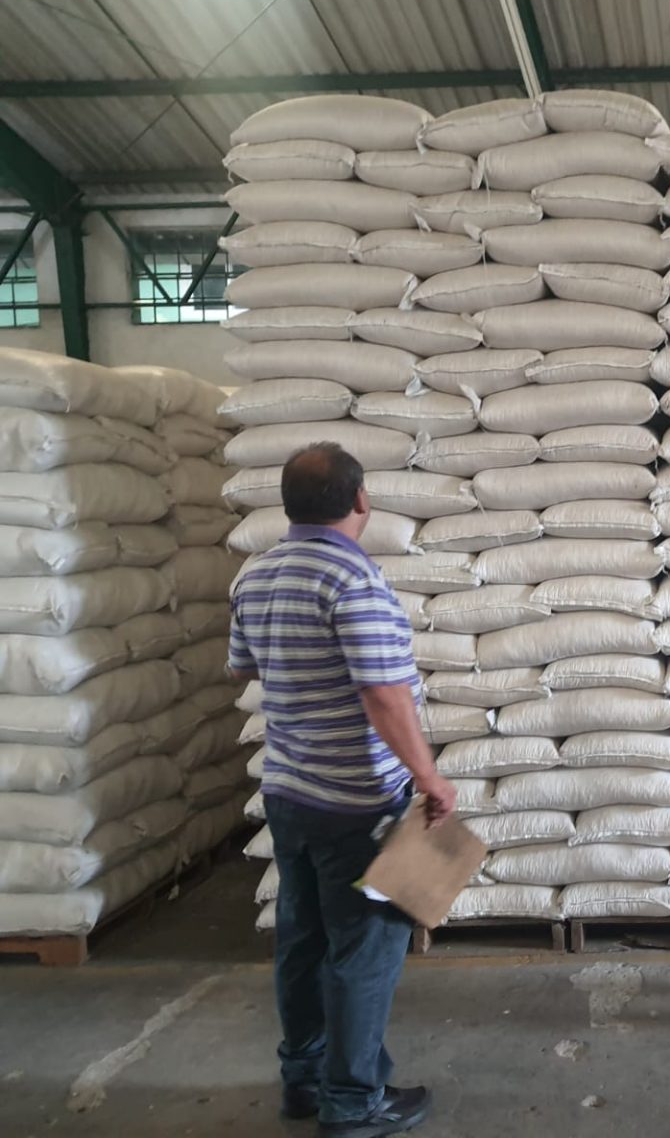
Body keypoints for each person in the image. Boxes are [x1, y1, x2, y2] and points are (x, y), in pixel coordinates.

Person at [227, 443, 456, 1137]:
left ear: (288, 504)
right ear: (361, 501)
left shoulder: (257, 576)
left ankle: (303, 1079)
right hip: (356, 804)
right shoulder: (355, 581)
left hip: (288, 791)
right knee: (362, 950)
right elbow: (384, 696)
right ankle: (354, 1103)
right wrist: (428, 776)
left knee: (301, 941)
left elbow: (244, 667)